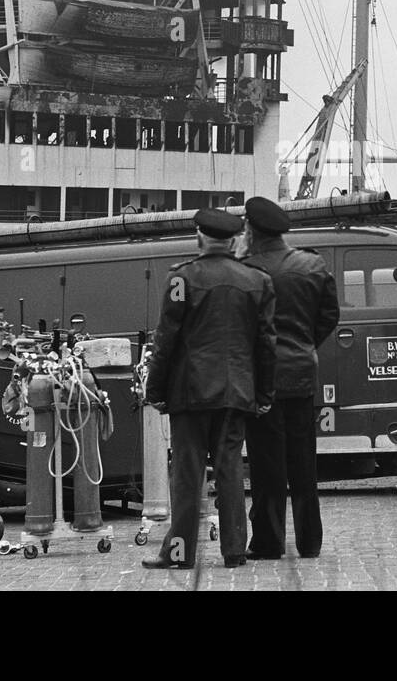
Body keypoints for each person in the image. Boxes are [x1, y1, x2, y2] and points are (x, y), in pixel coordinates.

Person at [142, 208, 277, 569]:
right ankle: (234, 550)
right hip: (236, 393)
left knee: (187, 475)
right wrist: (264, 394)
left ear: (200, 237)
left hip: (190, 392)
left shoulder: (182, 278)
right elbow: (266, 344)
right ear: (233, 241)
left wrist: (154, 389)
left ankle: (180, 553)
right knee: (230, 469)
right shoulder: (258, 280)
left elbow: (165, 340)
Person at [240, 196, 340, 560]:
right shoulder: (312, 265)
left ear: (251, 230)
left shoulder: (246, 270)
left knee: (267, 467)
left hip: (261, 380)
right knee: (303, 463)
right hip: (300, 375)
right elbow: (330, 315)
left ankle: (268, 542)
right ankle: (310, 541)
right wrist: (304, 344)